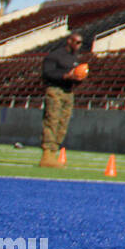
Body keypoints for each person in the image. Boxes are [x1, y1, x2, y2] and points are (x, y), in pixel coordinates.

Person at [40, 32, 86, 167]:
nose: (79, 45)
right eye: (77, 42)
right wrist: (65, 76)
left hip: (68, 92)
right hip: (55, 90)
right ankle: (47, 154)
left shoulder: (74, 58)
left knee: (62, 123)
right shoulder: (56, 56)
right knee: (52, 120)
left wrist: (78, 78)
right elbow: (47, 73)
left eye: (80, 43)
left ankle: (54, 152)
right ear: (69, 41)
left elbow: (75, 76)